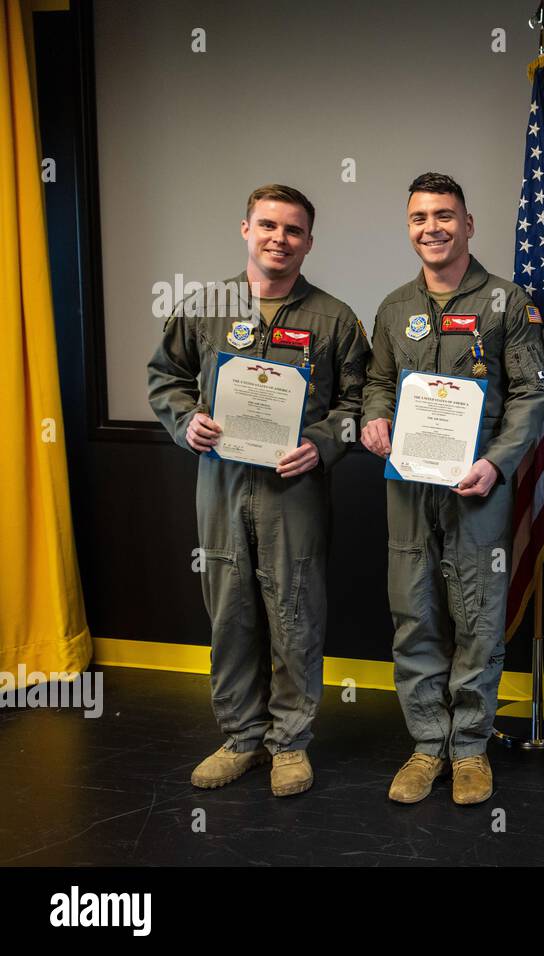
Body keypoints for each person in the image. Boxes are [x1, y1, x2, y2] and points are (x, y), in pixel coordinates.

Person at [147, 183, 369, 797]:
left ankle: (291, 743)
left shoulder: (336, 319)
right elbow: (164, 378)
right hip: (220, 483)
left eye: (293, 230)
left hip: (292, 489)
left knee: (295, 610)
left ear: (309, 243)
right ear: (245, 229)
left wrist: (323, 443)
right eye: (268, 226)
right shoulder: (203, 306)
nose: (279, 239)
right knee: (231, 610)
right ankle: (242, 736)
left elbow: (356, 404)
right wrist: (184, 419)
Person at [361, 173, 544, 806]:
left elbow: (532, 391)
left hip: (478, 488)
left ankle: (469, 746)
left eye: (445, 215)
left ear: (469, 224)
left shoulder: (507, 303)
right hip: (408, 488)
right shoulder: (393, 308)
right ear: (408, 227)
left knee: (477, 617)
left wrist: (498, 464)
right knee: (414, 614)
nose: (432, 228)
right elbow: (376, 383)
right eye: (419, 217)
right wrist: (374, 417)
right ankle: (424, 745)